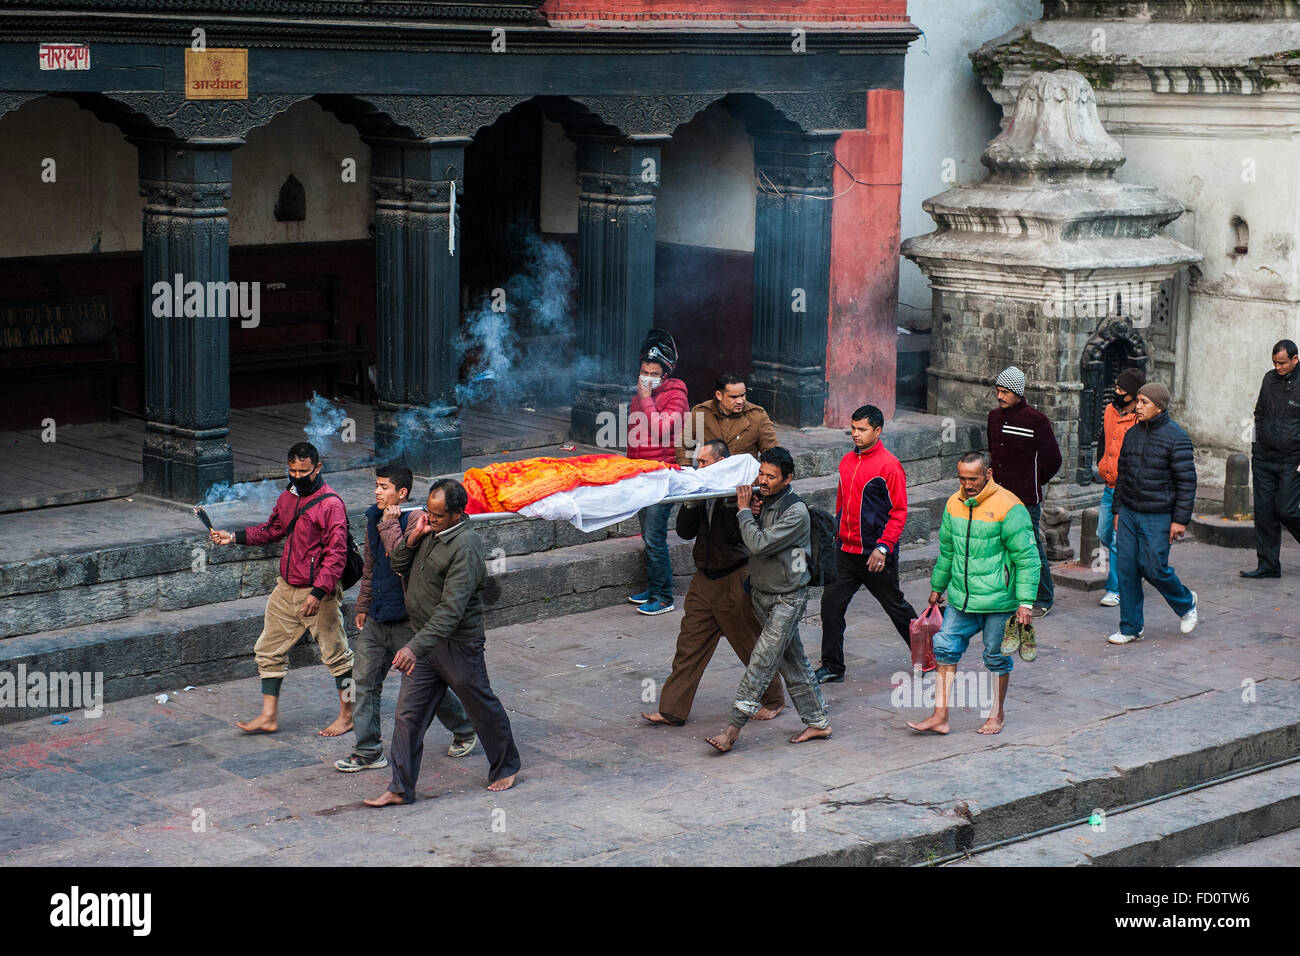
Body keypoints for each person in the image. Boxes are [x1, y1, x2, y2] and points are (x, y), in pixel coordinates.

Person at [365, 479, 520, 805]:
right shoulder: (428, 531)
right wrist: (415, 535)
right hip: (423, 642)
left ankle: (506, 764)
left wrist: (412, 647)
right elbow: (398, 565)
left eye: (436, 516)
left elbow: (452, 611)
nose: (430, 518)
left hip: (456, 645)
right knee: (408, 715)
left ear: (455, 513)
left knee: (479, 705)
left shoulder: (465, 547)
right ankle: (400, 787)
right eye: (428, 512)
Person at [335, 463, 478, 772]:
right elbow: (371, 566)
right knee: (362, 682)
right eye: (376, 485)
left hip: (409, 620)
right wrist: (363, 603)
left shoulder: (419, 519)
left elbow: (400, 560)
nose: (377, 491)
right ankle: (368, 750)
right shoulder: (374, 517)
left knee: (424, 687)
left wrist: (391, 525)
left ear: (402, 493)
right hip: (378, 616)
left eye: (384, 487)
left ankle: (465, 727)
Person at [209, 441, 354, 737]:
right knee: (268, 650)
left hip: (318, 592)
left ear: (318, 468)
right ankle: (268, 715)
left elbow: (337, 555)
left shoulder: (331, 504)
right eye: (292, 470)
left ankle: (348, 715)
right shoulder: (288, 497)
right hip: (285, 588)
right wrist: (233, 537)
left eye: (303, 470)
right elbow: (273, 529)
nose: (297, 476)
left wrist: (318, 593)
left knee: (337, 655)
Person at [640, 439, 785, 727]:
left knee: (750, 644)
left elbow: (742, 537)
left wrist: (743, 507)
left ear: (721, 464)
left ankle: (773, 700)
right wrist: (692, 503)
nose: (699, 468)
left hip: (734, 577)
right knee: (689, 645)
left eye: (704, 463)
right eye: (697, 463)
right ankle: (672, 710)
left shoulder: (742, 492)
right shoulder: (702, 491)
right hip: (703, 580)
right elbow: (684, 532)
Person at [705, 447, 831, 753]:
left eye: (770, 476)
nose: (763, 480)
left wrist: (744, 511)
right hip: (762, 594)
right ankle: (818, 722)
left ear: (788, 479)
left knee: (762, 662)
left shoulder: (795, 511)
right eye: (761, 473)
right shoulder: (764, 503)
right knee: (794, 662)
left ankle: (732, 729)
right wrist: (752, 512)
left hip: (787, 598)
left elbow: (758, 544)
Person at [907, 451, 1039, 736]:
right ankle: (939, 716)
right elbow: (947, 551)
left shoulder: (1010, 507)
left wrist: (1025, 602)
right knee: (944, 648)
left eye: (973, 479)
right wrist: (936, 587)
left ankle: (997, 714)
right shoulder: (953, 504)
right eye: (962, 478)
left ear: (988, 474)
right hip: (960, 598)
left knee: (995, 657)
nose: (966, 484)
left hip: (999, 601)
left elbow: (1028, 559)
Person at [815, 404, 919, 684]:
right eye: (853, 429)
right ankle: (833, 665)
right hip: (846, 553)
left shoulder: (889, 466)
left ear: (878, 430)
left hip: (876, 556)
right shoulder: (846, 462)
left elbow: (899, 512)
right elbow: (840, 503)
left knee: (897, 608)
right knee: (830, 608)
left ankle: (928, 656)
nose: (856, 434)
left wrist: (884, 547)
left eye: (862, 429)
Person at [1108, 383, 1199, 645]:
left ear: (1159, 407)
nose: (1138, 406)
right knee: (1126, 569)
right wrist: (1117, 510)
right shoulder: (1133, 434)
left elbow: (1186, 482)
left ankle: (1186, 603)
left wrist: (1180, 520)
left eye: (1144, 402)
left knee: (1154, 568)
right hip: (1128, 512)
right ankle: (1130, 627)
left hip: (1158, 515)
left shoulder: (1177, 437)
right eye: (1138, 400)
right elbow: (1122, 475)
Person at [987, 365, 1061, 617]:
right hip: (996, 497)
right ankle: (1007, 594)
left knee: (1030, 548)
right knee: (998, 546)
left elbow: (1053, 460)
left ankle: (1043, 597)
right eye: (998, 390)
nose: (1000, 396)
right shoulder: (993, 418)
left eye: (1005, 391)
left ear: (1017, 392)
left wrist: (1032, 480)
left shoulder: (1037, 421)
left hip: (1026, 499)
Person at [626, 329, 689, 616]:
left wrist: (647, 397)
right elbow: (634, 434)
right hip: (641, 474)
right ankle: (653, 588)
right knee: (647, 535)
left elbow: (662, 429)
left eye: (653, 372)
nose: (647, 376)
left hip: (663, 477)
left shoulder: (676, 395)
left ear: (664, 374)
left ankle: (664, 596)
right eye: (643, 371)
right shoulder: (640, 395)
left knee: (656, 537)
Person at [1241, 339, 1300, 579]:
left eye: (1282, 363)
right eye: (1275, 362)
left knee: (1286, 510)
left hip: (1291, 460)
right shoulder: (1268, 379)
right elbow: (1259, 413)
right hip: (1264, 458)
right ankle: (1268, 565)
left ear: (1295, 359)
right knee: (1264, 512)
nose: (1278, 367)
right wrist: (1256, 448)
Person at [1095, 367, 1146, 606]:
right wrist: (1101, 462)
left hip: (1126, 488)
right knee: (1103, 534)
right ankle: (1137, 566)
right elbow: (1104, 439)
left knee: (1117, 540)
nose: (1116, 392)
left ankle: (1115, 589)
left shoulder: (1140, 417)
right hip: (1108, 484)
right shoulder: (1109, 410)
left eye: (1121, 389)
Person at [675, 372, 778, 468]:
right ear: (719, 395)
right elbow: (684, 446)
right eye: (734, 397)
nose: (740, 401)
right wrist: (687, 472)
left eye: (743, 395)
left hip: (741, 482)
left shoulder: (757, 416)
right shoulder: (701, 412)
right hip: (708, 477)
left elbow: (772, 453)